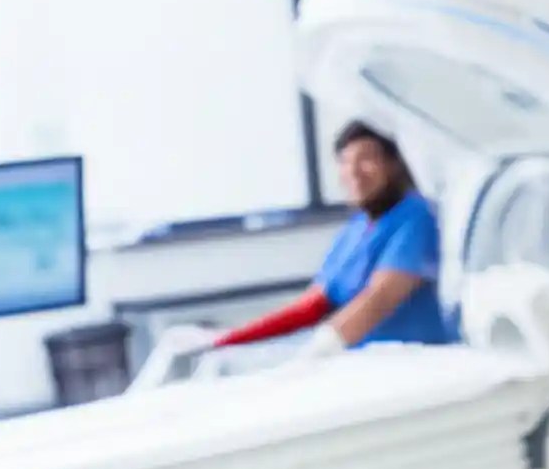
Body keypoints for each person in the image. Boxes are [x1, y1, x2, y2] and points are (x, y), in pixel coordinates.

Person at [177, 121, 452, 361]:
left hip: (405, 361)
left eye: (366, 159)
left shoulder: (416, 217)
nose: (354, 171)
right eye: (345, 161)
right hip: (356, 359)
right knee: (219, 364)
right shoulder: (355, 229)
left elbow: (380, 298)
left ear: (394, 165)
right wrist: (229, 338)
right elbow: (312, 305)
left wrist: (323, 346)